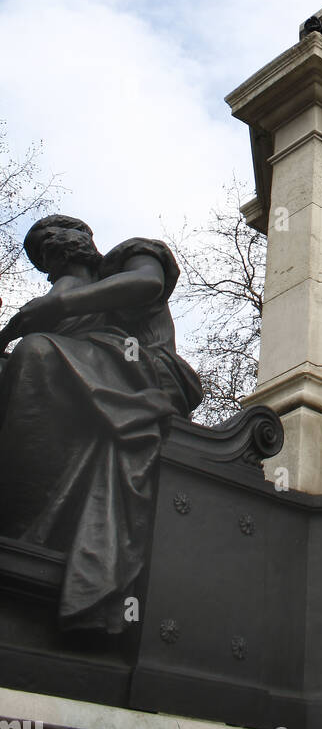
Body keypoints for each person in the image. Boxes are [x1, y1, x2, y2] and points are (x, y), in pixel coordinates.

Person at [0, 215, 202, 630]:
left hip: (142, 368)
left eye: (66, 231)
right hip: (81, 373)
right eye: (43, 246)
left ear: (89, 237)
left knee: (37, 354)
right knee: (29, 361)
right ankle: (29, 533)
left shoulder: (131, 257)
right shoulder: (60, 295)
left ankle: (22, 533)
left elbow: (148, 284)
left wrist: (52, 308)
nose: (56, 240)